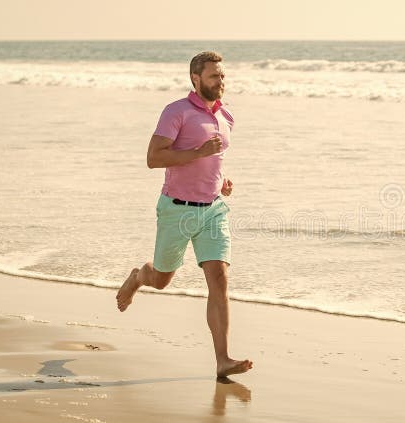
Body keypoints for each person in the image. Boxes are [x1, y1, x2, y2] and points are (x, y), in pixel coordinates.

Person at [116, 51, 252, 378]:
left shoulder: (227, 116)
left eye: (222, 76)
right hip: (177, 210)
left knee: (219, 279)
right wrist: (197, 152)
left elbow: (214, 162)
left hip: (214, 210)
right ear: (196, 78)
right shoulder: (175, 112)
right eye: (213, 77)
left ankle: (223, 359)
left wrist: (222, 182)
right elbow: (153, 157)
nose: (221, 82)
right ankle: (138, 277)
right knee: (162, 280)